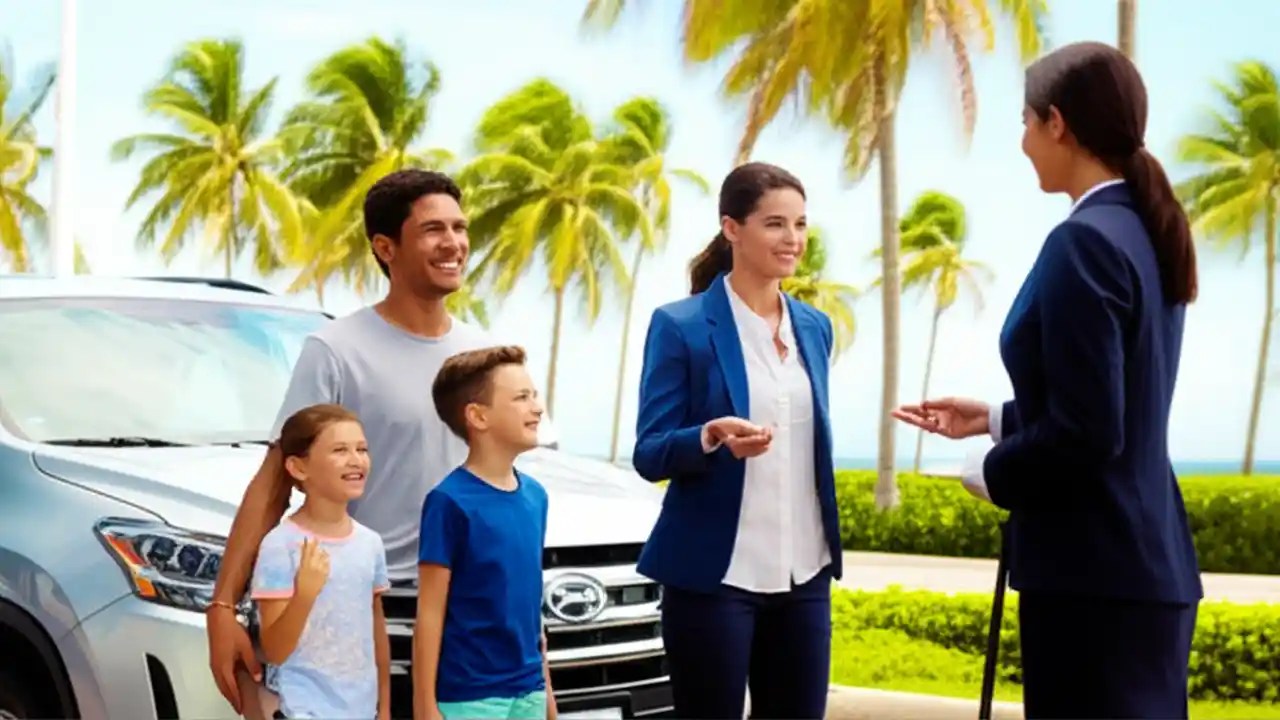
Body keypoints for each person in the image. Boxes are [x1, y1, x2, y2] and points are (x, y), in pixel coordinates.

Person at [892, 41, 1203, 719]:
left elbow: (1091, 431)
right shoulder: (1148, 231)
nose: (1024, 142)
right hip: (1145, 569)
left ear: (1056, 122)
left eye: (1026, 122)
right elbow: (1116, 398)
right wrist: (997, 418)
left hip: (1093, 576)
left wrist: (994, 468)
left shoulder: (1083, 241)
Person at [206, 169, 504, 717]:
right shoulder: (337, 350)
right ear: (385, 247)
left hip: (469, 608)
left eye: (460, 227)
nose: (454, 243)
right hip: (366, 607)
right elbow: (275, 481)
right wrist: (222, 606)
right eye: (433, 229)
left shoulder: (485, 357)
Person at [630, 162, 842, 719]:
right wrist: (708, 435)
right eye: (775, 223)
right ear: (732, 228)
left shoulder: (815, 328)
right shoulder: (682, 326)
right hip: (715, 577)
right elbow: (650, 452)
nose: (792, 239)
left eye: (800, 224)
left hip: (804, 574)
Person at [414, 345, 554, 720]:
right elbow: (429, 612)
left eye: (534, 395)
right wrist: (425, 705)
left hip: (529, 692)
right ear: (478, 416)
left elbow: (530, 608)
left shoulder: (536, 497)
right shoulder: (448, 501)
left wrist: (547, 692)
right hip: (470, 697)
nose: (537, 407)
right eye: (521, 398)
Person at [250, 404, 390, 719]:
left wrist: (385, 707)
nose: (356, 460)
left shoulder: (370, 543)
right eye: (339, 450)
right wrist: (305, 594)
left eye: (362, 449)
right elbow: (274, 649)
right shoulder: (280, 545)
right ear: (299, 468)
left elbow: (376, 632)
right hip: (303, 710)